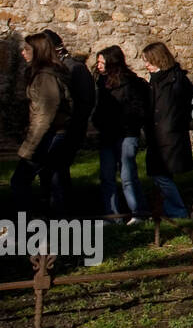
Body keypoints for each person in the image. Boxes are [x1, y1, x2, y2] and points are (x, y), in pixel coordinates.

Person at [9, 33, 72, 218]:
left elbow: (45, 113)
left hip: (49, 135)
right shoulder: (48, 73)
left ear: (39, 52)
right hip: (54, 134)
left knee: (20, 181)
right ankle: (58, 222)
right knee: (53, 180)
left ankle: (26, 224)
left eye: (27, 49)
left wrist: (30, 146)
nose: (22, 53)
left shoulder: (45, 77)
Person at [92, 45, 149, 223]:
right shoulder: (102, 83)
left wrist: (125, 123)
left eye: (102, 62)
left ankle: (139, 213)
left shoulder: (131, 83)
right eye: (98, 62)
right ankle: (112, 215)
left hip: (126, 134)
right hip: (107, 135)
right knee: (107, 176)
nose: (99, 65)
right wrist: (99, 121)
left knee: (128, 176)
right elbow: (100, 108)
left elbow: (138, 110)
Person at [141, 41, 193, 220]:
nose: (146, 64)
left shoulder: (176, 79)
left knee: (160, 174)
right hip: (158, 135)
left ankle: (177, 211)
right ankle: (168, 209)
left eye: (149, 60)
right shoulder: (155, 80)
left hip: (169, 136)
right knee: (160, 174)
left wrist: (182, 122)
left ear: (158, 59)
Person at [43, 29, 94, 212]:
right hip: (56, 129)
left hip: (68, 130)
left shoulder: (74, 68)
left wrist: (71, 125)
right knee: (52, 170)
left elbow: (85, 101)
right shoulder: (55, 68)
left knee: (57, 169)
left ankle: (62, 211)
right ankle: (57, 209)